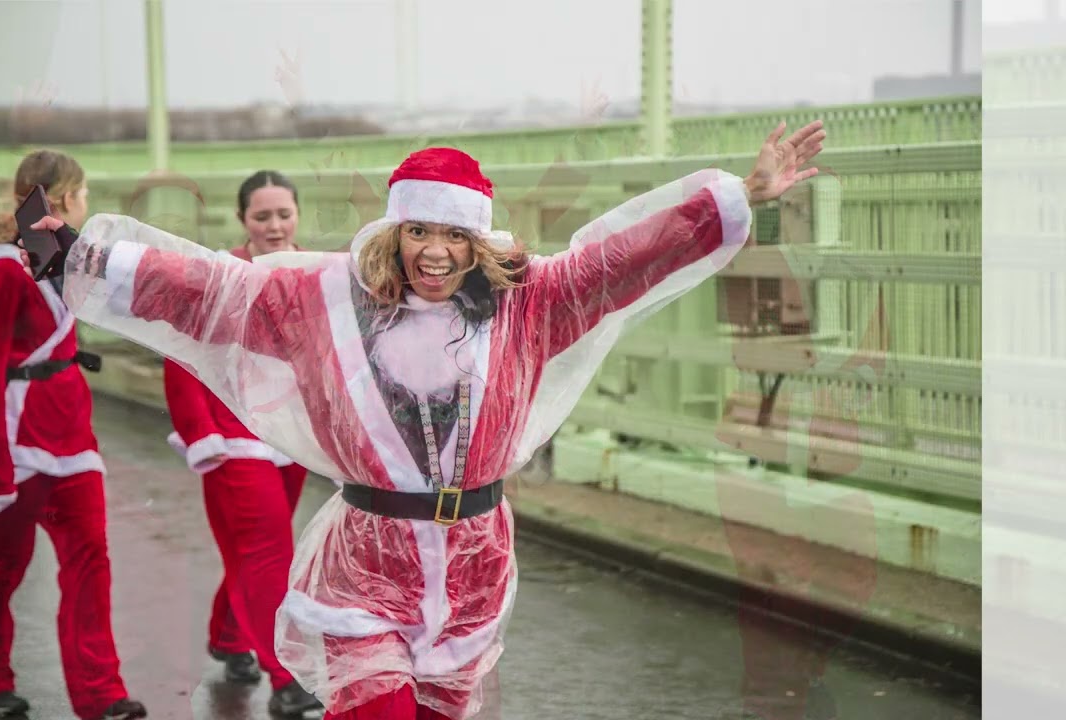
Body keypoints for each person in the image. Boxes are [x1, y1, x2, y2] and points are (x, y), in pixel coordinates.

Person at [47, 121, 826, 720]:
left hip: (473, 564)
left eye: (455, 234)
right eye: (420, 231)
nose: (436, 252)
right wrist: (79, 256)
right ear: (396, 232)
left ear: (477, 238)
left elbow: (621, 259)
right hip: (368, 563)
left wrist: (738, 195)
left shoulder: (532, 304)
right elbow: (208, 290)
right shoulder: (323, 301)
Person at [0, 149, 147, 720]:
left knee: (90, 562)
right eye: (82, 193)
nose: (87, 202)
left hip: (72, 437)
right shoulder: (4, 268)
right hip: (17, 440)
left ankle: (99, 694)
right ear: (63, 197)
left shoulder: (57, 258)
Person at [151, 170, 323, 715]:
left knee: (258, 549)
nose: (274, 226)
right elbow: (183, 352)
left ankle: (230, 638)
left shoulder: (317, 272)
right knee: (269, 549)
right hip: (232, 437)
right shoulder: (221, 275)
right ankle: (285, 675)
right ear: (242, 219)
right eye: (262, 216)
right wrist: (199, 433)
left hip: (290, 437)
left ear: (298, 215)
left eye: (283, 214)